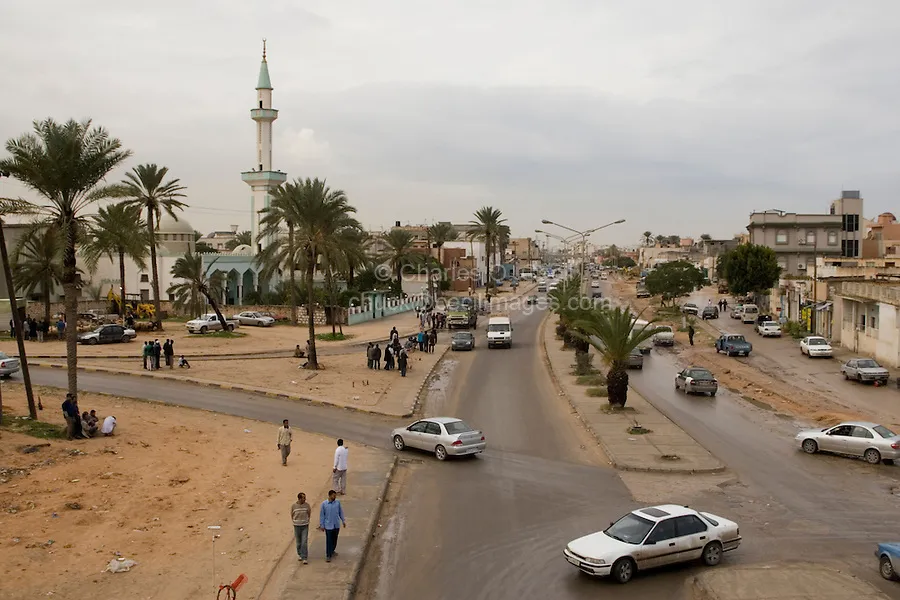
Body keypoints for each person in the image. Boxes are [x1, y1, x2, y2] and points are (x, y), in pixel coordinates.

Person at [318, 490, 346, 562]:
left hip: (336, 524)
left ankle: (332, 550)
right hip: (328, 525)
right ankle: (328, 555)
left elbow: (340, 512)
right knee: (329, 540)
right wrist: (322, 525)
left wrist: (343, 521)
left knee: (335, 539)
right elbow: (322, 515)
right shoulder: (324, 504)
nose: (335, 497)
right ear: (330, 495)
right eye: (333, 495)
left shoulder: (337, 503)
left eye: (335, 495)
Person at [291, 492, 311, 564]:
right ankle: (300, 554)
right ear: (299, 499)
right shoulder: (294, 506)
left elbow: (309, 513)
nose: (305, 499)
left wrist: (306, 520)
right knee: (298, 542)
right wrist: (295, 521)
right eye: (303, 498)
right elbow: (292, 514)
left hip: (305, 525)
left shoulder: (307, 505)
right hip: (297, 526)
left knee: (304, 542)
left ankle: (304, 557)